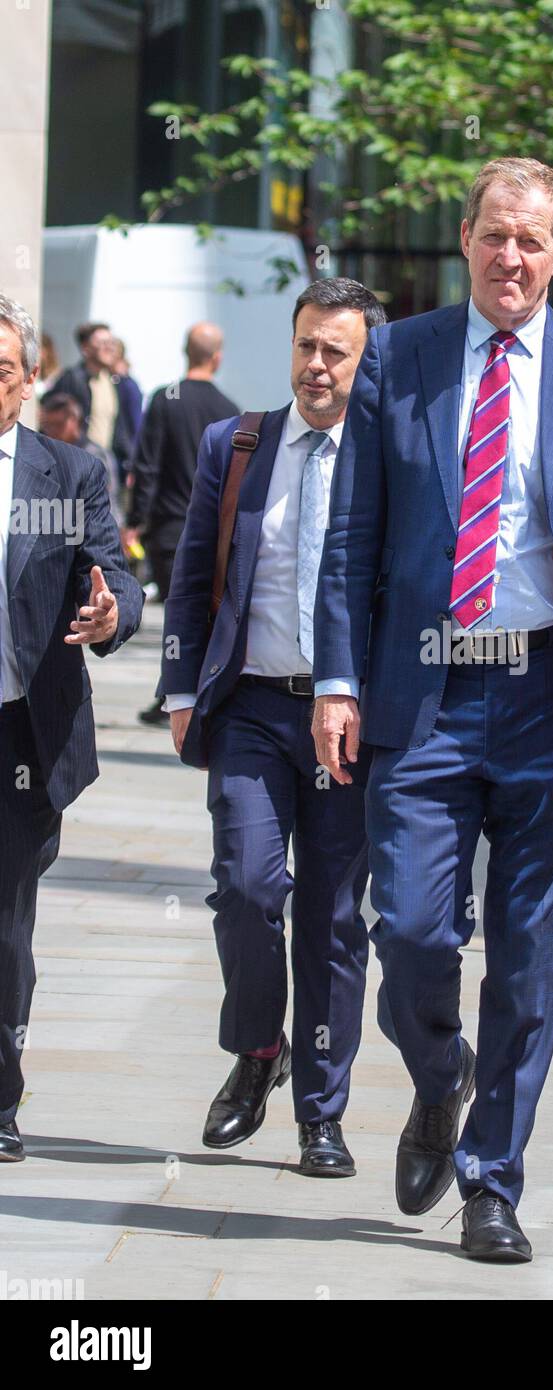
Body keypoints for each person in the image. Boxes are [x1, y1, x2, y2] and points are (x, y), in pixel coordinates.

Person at [312, 158, 553, 1262]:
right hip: (419, 695)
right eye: (493, 236)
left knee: (527, 954)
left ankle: (493, 1178)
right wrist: (336, 680)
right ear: (463, 239)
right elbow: (351, 541)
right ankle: (438, 1080)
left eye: (532, 241)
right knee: (413, 929)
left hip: (552, 698)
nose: (510, 258)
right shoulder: (403, 360)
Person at [160, 278, 386, 1177]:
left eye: (336, 351)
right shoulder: (239, 444)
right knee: (249, 888)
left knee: (333, 915)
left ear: (365, 363)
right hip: (251, 704)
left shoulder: (387, 456)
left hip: (351, 723)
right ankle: (259, 1051)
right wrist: (180, 688)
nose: (317, 366)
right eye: (305, 346)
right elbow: (189, 574)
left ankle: (321, 1112)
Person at [0, 295, 143, 1162]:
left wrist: (109, 615)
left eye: (2, 370)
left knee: (5, 923)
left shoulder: (68, 470)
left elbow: (113, 575)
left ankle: (0, 1095)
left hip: (21, 733)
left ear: (25, 380)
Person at [127, 323, 239, 725]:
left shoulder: (164, 399)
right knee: (204, 610)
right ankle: (189, 691)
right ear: (217, 357)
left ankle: (172, 692)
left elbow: (147, 464)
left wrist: (135, 520)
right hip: (214, 530)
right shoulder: (229, 408)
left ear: (184, 351)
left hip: (169, 524)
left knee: (179, 612)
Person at [49, 322, 142, 475]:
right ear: (85, 349)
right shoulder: (72, 379)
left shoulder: (114, 382)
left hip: (106, 466)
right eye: (103, 343)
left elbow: (120, 429)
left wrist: (129, 461)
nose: (110, 348)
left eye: (112, 342)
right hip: (76, 465)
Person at [38, 392, 122, 524]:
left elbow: (105, 503)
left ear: (74, 420)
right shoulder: (46, 453)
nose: (51, 431)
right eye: (47, 426)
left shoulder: (93, 455)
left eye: (58, 425)